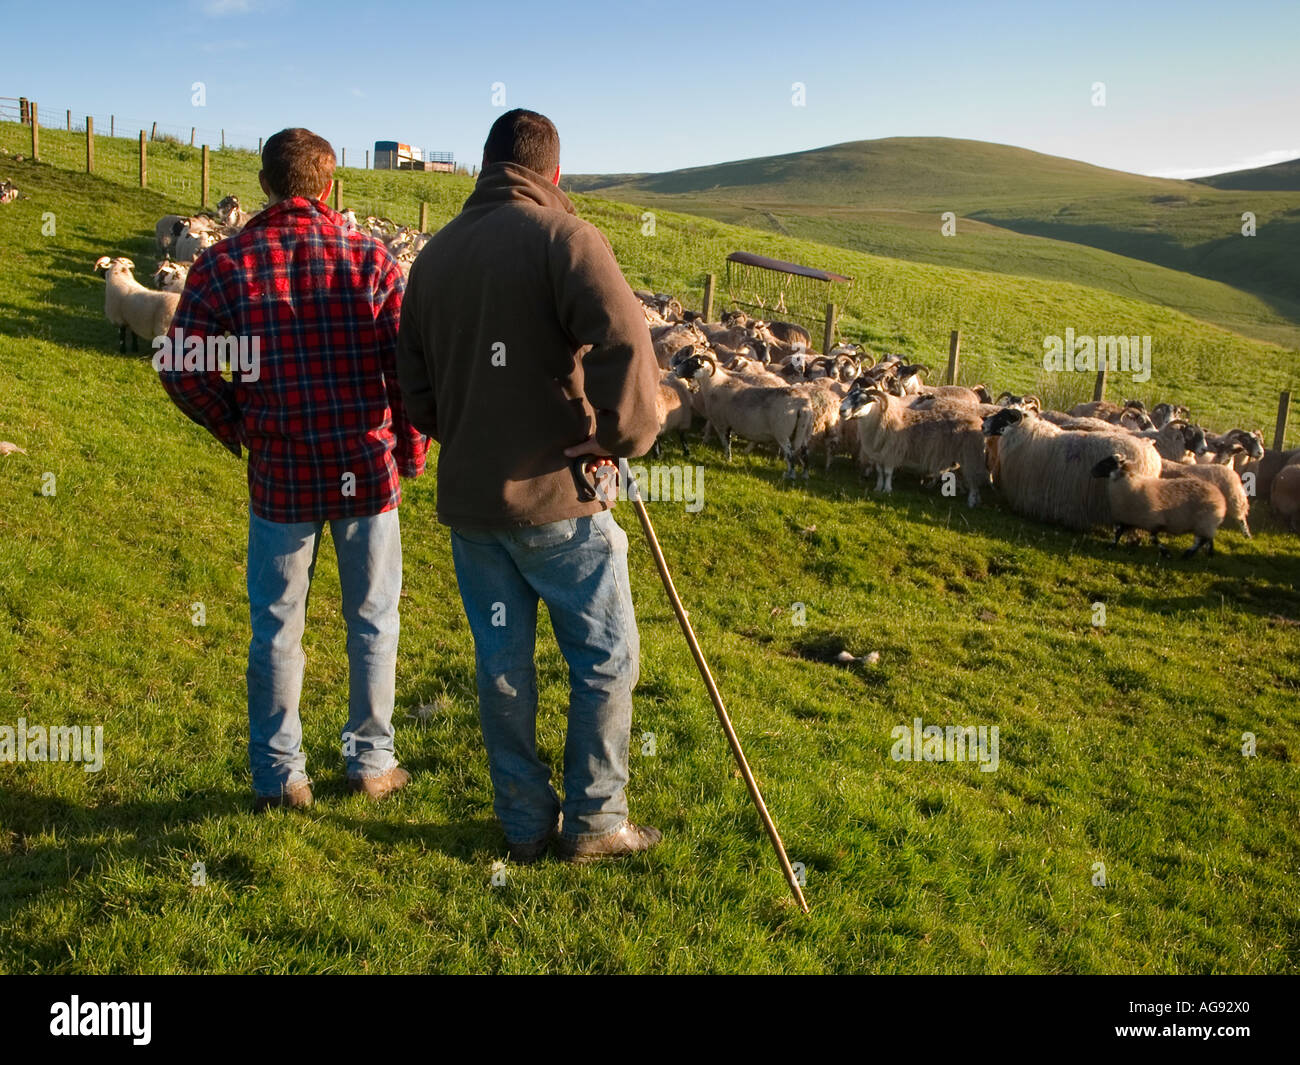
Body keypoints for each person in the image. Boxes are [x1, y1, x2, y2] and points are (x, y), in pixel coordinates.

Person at [397, 109, 661, 863]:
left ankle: (522, 822)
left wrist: (470, 431)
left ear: (485, 167)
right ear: (552, 174)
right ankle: (595, 819)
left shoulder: (435, 258)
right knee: (606, 657)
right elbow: (625, 340)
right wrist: (619, 437)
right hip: (559, 496)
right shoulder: (565, 239)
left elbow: (413, 388)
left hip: (473, 505)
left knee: (502, 664)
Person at [158, 127, 429, 811]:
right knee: (373, 616)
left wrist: (236, 421)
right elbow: (406, 368)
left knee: (277, 625)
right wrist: (411, 450)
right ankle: (370, 761)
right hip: (365, 468)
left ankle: (282, 775)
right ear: (330, 185)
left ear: (265, 184)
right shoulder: (370, 258)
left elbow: (181, 363)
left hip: (281, 473)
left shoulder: (226, 263)